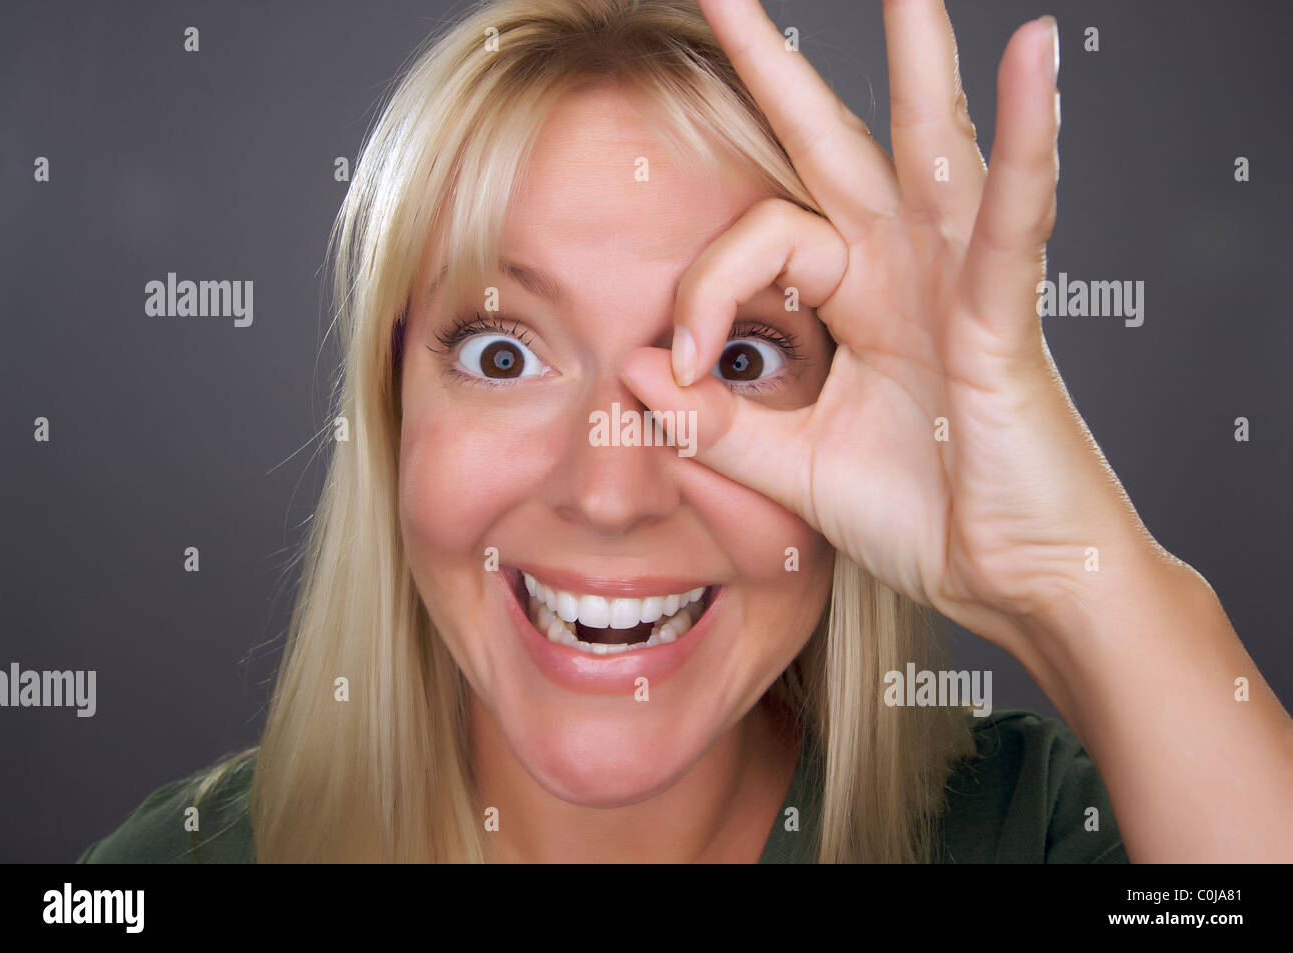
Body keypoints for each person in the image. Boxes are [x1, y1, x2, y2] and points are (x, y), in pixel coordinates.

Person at [78, 0, 1293, 864]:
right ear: (393, 413)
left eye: (741, 355)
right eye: (502, 354)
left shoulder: (1030, 830)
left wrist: (1078, 575)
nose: (612, 491)